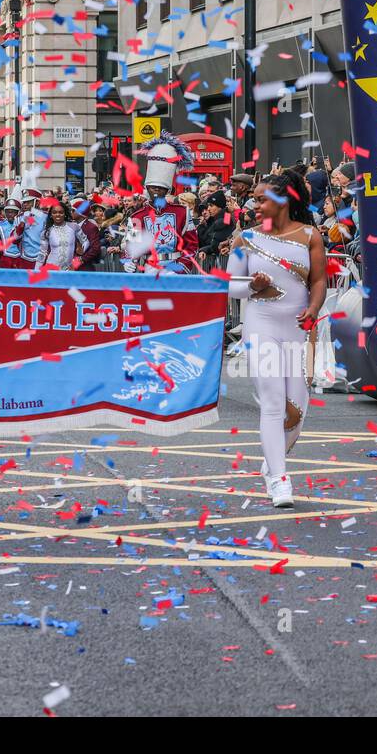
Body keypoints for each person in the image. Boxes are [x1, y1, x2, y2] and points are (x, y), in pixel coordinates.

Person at [225, 172, 326, 509]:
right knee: (271, 401)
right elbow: (229, 285)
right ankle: (280, 480)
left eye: (261, 199)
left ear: (284, 200)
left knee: (296, 409)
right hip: (261, 323)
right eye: (253, 199)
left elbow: (319, 280)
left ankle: (274, 460)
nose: (254, 205)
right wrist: (251, 286)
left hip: (299, 327)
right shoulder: (246, 239)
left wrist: (313, 309)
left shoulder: (311, 236)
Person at [122, 135, 200, 272]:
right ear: (147, 188)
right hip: (149, 268)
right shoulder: (137, 217)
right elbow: (131, 246)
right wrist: (128, 261)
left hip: (176, 268)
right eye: (153, 187)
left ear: (168, 189)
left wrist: (179, 268)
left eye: (161, 187)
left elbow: (192, 246)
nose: (156, 190)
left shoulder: (182, 212)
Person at [34, 196, 90, 271]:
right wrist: (36, 270)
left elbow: (86, 241)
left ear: (65, 214)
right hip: (52, 269)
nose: (58, 215)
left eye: (61, 212)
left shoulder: (74, 227)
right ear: (51, 215)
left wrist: (77, 260)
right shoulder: (47, 231)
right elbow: (42, 253)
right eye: (54, 212)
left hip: (69, 270)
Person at [196, 190, 234, 269]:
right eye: (208, 205)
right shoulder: (225, 217)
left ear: (219, 206)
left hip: (222, 264)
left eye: (211, 205)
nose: (208, 209)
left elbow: (215, 244)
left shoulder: (222, 220)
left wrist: (203, 250)